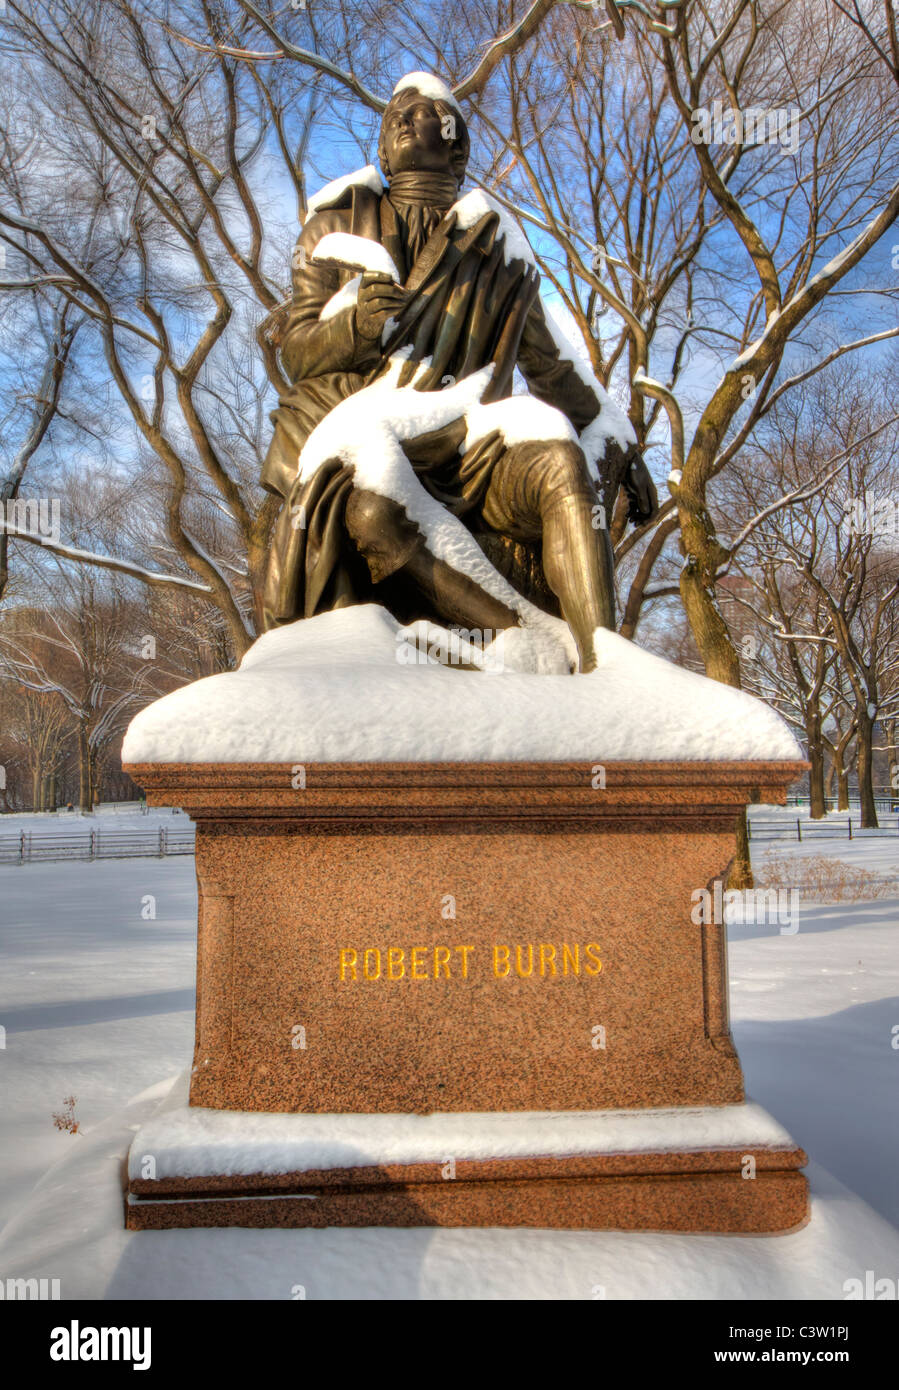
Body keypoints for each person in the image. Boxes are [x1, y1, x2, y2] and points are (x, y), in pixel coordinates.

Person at [260, 73, 657, 671]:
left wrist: (622, 446)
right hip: (378, 437)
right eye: (397, 116)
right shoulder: (333, 228)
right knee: (372, 510)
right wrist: (357, 329)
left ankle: (610, 672)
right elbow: (297, 351)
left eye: (422, 114)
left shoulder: (495, 245)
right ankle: (529, 641)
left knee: (560, 461)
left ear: (459, 146)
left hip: (470, 439)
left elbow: (550, 369)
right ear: (383, 149)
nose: (404, 120)